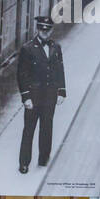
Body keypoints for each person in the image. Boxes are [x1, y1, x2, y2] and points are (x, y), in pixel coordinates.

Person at [16, 15, 66, 173]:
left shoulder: (56, 47)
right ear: (37, 29)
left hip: (50, 95)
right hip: (34, 96)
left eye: (47, 29)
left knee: (47, 127)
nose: (44, 32)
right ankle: (24, 163)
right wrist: (25, 97)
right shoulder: (27, 48)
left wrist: (61, 91)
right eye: (42, 29)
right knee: (29, 129)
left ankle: (44, 158)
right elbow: (22, 74)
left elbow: (59, 70)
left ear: (51, 30)